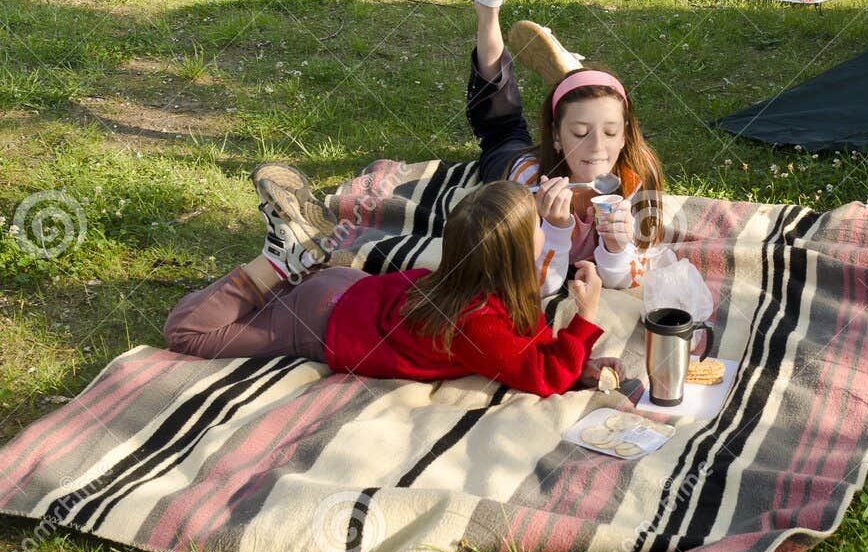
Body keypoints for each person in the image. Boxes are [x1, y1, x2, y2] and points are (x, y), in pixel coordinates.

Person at [163, 168, 611, 397]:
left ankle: (290, 267)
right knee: (187, 332)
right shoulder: (477, 322)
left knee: (232, 307)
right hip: (321, 323)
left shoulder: (470, 286)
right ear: (514, 255)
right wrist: (586, 316)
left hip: (345, 285)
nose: (544, 232)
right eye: (538, 227)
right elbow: (540, 374)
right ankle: (276, 264)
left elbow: (526, 347)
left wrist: (579, 356)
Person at [448, 0, 665, 295]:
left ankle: (574, 83)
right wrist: (556, 227)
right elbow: (533, 285)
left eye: (610, 132)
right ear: (557, 136)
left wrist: (616, 247)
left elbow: (632, 276)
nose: (596, 147)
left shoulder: (639, 176)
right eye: (580, 133)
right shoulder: (527, 181)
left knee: (524, 119)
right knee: (501, 127)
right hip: (517, 162)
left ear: (626, 136)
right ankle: (487, 4)